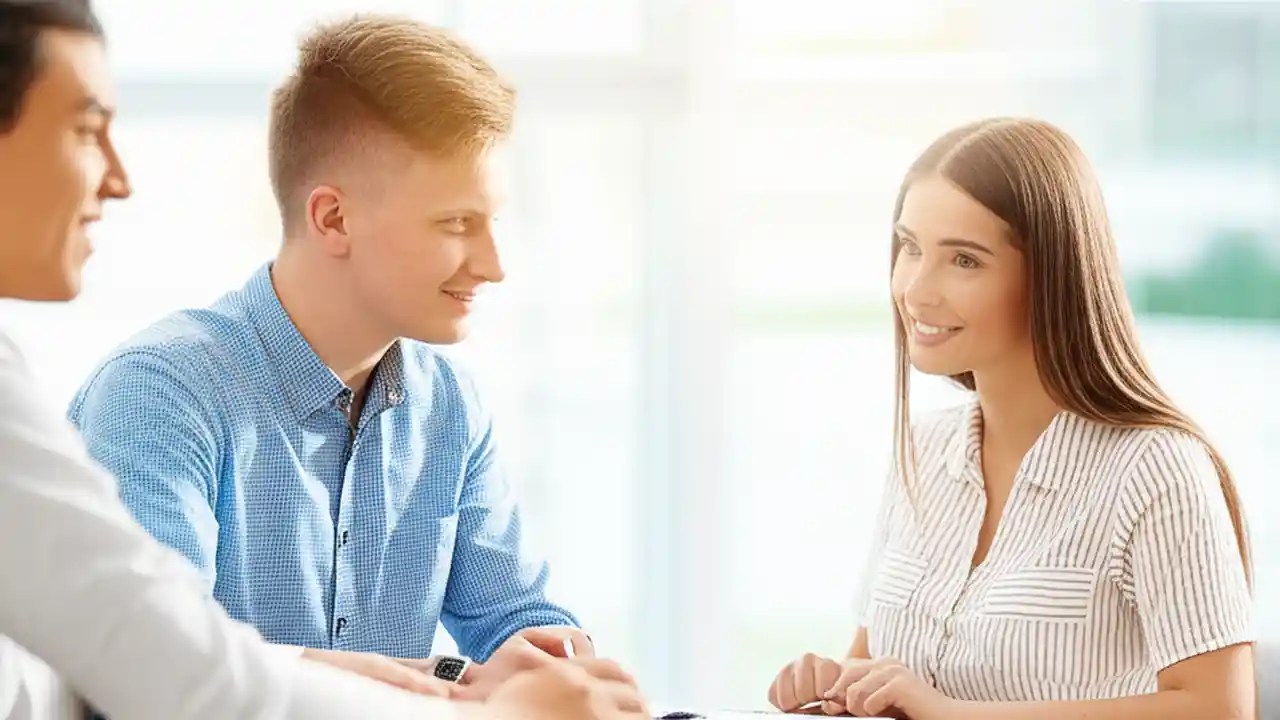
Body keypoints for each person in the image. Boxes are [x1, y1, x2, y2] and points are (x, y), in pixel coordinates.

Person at [0, 2, 646, 718]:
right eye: (456, 224)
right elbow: (159, 671)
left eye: (491, 221)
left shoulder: (450, 406)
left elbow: (512, 617)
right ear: (332, 218)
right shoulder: (160, 393)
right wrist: (460, 695)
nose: (493, 265)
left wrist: (558, 666)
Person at [767, 118, 1255, 719]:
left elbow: (1219, 710)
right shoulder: (924, 451)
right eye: (911, 248)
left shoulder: (1155, 469)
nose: (916, 290)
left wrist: (952, 714)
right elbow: (877, 672)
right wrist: (835, 687)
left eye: (964, 260)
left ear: (1051, 277)